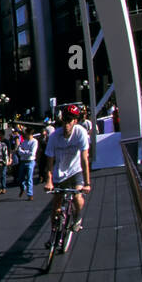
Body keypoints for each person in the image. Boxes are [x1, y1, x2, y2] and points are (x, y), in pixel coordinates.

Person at [44, 104, 91, 246]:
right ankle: (53, 234)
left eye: (70, 120)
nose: (66, 124)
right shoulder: (54, 137)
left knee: (77, 197)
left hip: (76, 170)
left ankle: (77, 217)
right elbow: (49, 162)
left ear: (75, 121)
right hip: (60, 173)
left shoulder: (80, 133)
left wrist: (87, 183)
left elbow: (84, 159)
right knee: (56, 205)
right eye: (64, 120)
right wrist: (49, 181)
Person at [16, 127, 38, 200]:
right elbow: (19, 150)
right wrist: (25, 152)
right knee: (20, 178)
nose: (25, 136)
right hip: (23, 161)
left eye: (27, 134)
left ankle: (30, 193)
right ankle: (23, 187)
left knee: (29, 178)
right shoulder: (24, 142)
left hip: (30, 161)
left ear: (30, 134)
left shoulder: (34, 142)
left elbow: (32, 153)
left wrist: (23, 152)